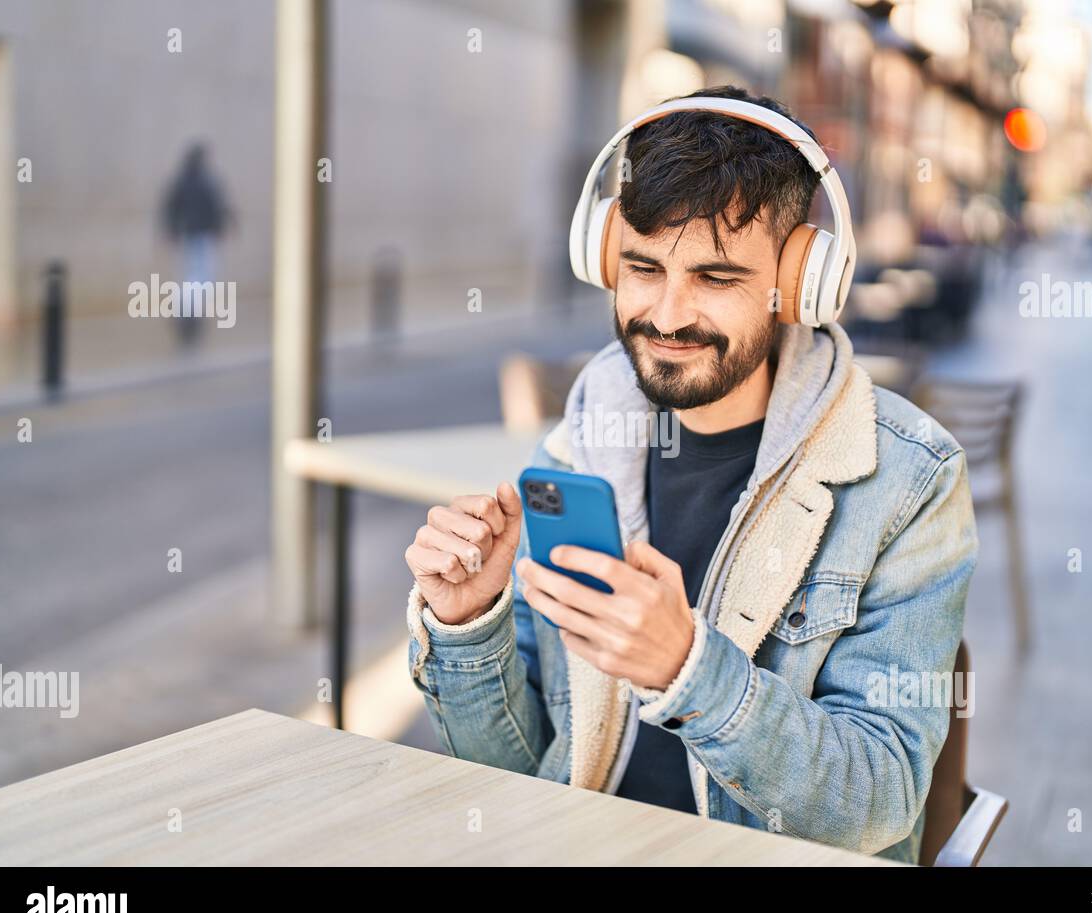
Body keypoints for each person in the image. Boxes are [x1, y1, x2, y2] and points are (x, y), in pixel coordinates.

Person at [403, 86, 978, 863]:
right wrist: (471, 629)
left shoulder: (912, 482)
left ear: (801, 282)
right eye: (643, 267)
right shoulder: (578, 446)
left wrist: (688, 669)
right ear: (604, 259)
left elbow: (878, 802)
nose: (668, 315)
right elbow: (517, 773)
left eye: (716, 278)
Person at [160, 143, 233, 347]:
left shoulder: (186, 180)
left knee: (194, 279)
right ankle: (187, 316)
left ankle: (188, 316)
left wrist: (171, 230)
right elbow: (216, 207)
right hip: (198, 236)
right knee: (199, 279)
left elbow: (171, 207)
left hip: (192, 235)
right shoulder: (202, 182)